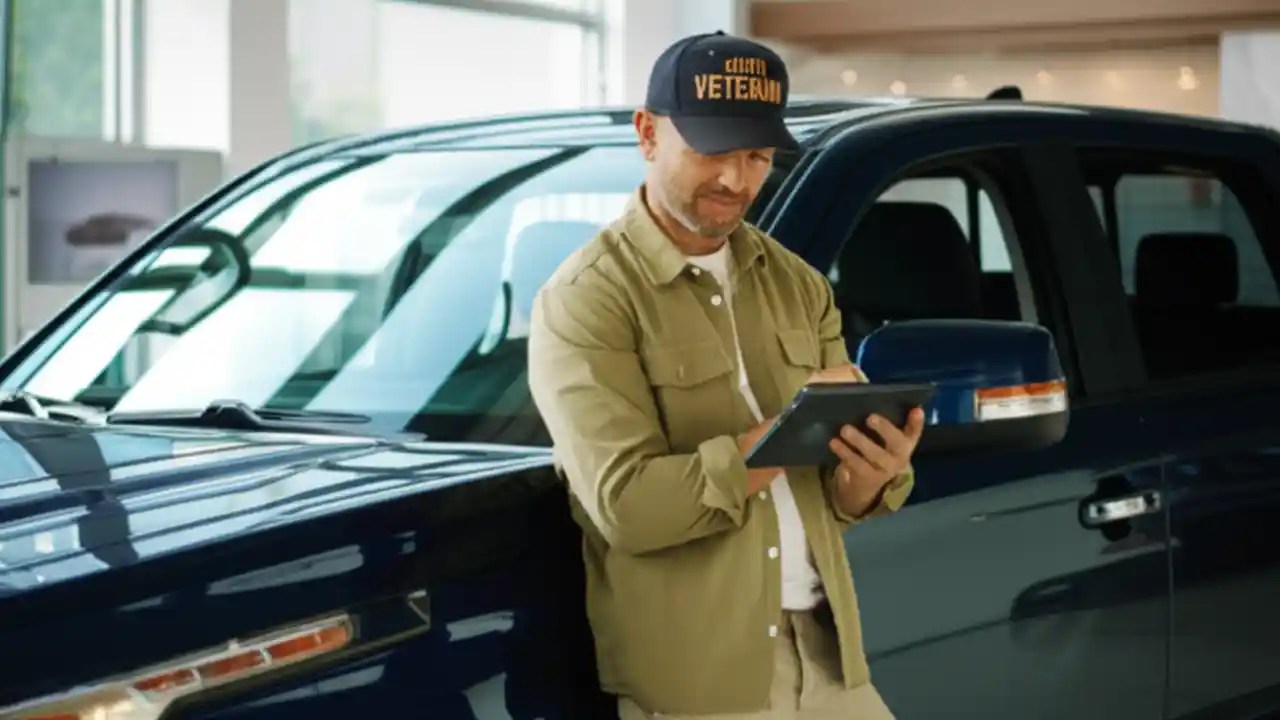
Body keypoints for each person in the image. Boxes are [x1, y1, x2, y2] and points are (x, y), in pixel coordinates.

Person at [527, 30, 925, 720]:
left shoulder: (798, 284)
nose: (737, 180)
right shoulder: (587, 299)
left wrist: (867, 479)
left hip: (829, 658)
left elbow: (830, 499)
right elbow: (627, 507)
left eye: (757, 155)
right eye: (713, 150)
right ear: (648, 134)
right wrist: (786, 434)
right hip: (703, 684)